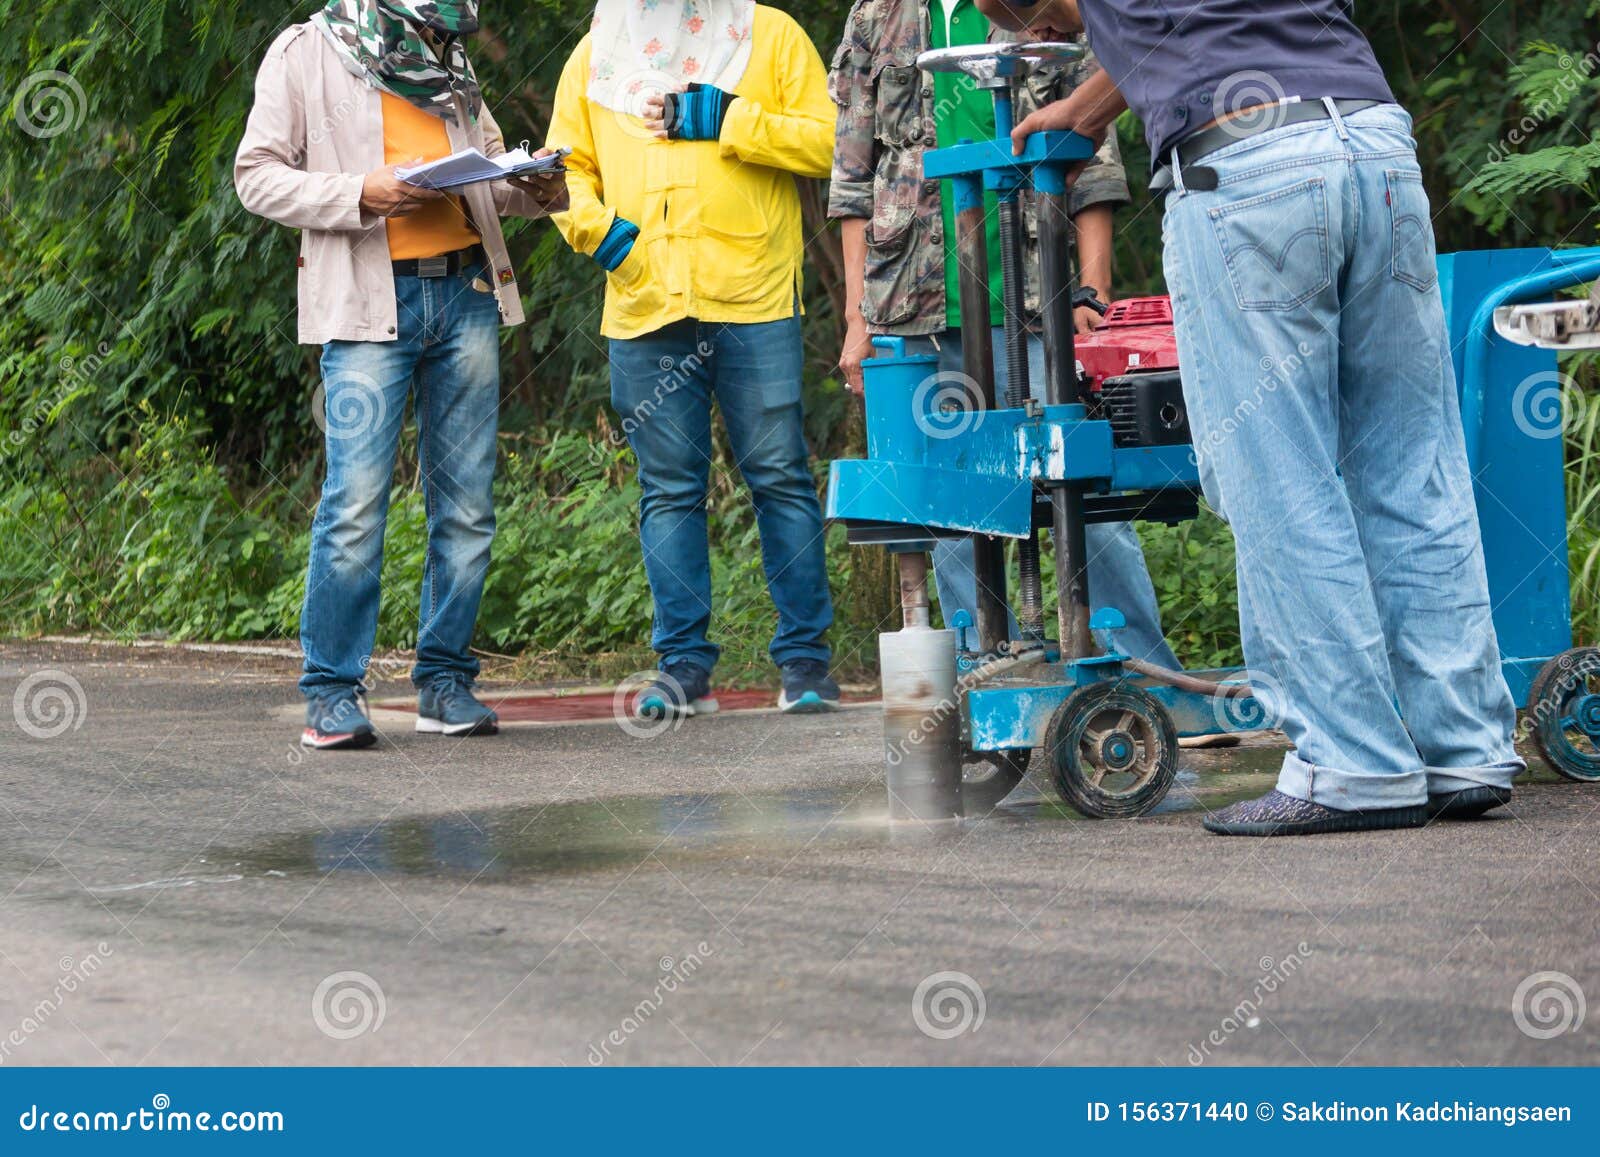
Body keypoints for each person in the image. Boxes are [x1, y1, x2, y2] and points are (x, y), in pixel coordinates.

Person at [982, 0, 1524, 834]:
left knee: (1278, 472)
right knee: (1413, 463)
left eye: (1040, 23)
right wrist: (1089, 106)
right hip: (1374, 145)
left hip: (1248, 169)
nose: (1054, 34)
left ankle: (1352, 764)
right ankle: (1463, 746)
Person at [235, 1, 567, 749]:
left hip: (466, 296)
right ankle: (331, 691)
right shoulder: (307, 50)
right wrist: (361, 193)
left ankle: (445, 681)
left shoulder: (446, 54)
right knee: (354, 505)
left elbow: (484, 177)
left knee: (469, 507)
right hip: (366, 305)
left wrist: (536, 186)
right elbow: (255, 178)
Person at [826, 0, 1184, 677]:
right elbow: (851, 176)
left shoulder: (1034, 3)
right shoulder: (878, 16)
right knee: (953, 499)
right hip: (917, 299)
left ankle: (1141, 671)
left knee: (1086, 488)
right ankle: (993, 666)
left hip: (1033, 289)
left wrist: (1093, 291)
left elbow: (1095, 154)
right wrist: (857, 318)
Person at [549, 1, 841, 718]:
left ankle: (806, 661)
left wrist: (732, 119)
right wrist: (599, 235)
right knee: (668, 489)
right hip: (646, 304)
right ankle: (682, 667)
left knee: (778, 476)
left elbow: (834, 144)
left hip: (754, 299)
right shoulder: (597, 51)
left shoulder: (771, 35)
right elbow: (559, 170)